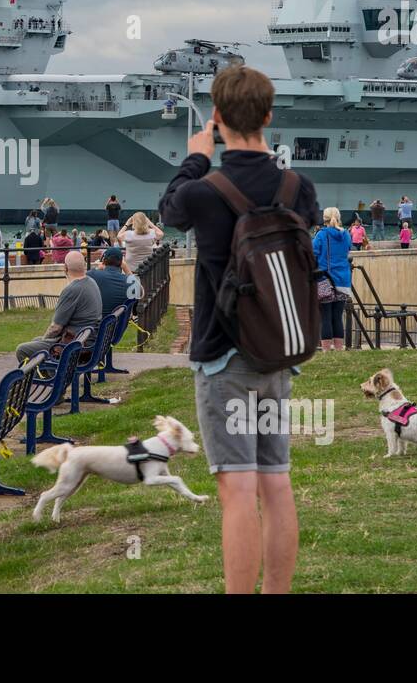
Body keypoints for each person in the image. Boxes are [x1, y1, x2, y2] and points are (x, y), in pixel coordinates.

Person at [159, 64, 317, 595]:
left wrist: (199, 151)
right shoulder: (299, 187)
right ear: (270, 115)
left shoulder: (206, 190)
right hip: (277, 352)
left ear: (219, 117)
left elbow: (169, 209)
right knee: (276, 484)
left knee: (236, 490)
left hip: (222, 356)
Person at [14, 251, 103, 364]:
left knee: (22, 349)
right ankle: (48, 374)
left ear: (65, 268)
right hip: (87, 339)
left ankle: (48, 377)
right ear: (84, 265)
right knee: (35, 341)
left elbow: (55, 328)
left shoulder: (72, 290)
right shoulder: (91, 282)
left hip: (75, 344)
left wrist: (45, 339)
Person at [313, 207, 352, 352]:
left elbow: (313, 253)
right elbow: (348, 250)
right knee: (337, 316)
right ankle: (339, 349)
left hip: (325, 280)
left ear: (324, 219)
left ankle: (326, 351)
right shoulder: (346, 234)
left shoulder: (321, 235)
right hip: (343, 280)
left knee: (326, 318)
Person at [87, 246, 130, 314]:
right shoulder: (128, 281)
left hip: (94, 322)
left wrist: (98, 268)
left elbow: (79, 280)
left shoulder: (92, 274)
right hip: (118, 323)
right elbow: (141, 292)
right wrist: (126, 268)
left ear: (104, 261)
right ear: (121, 263)